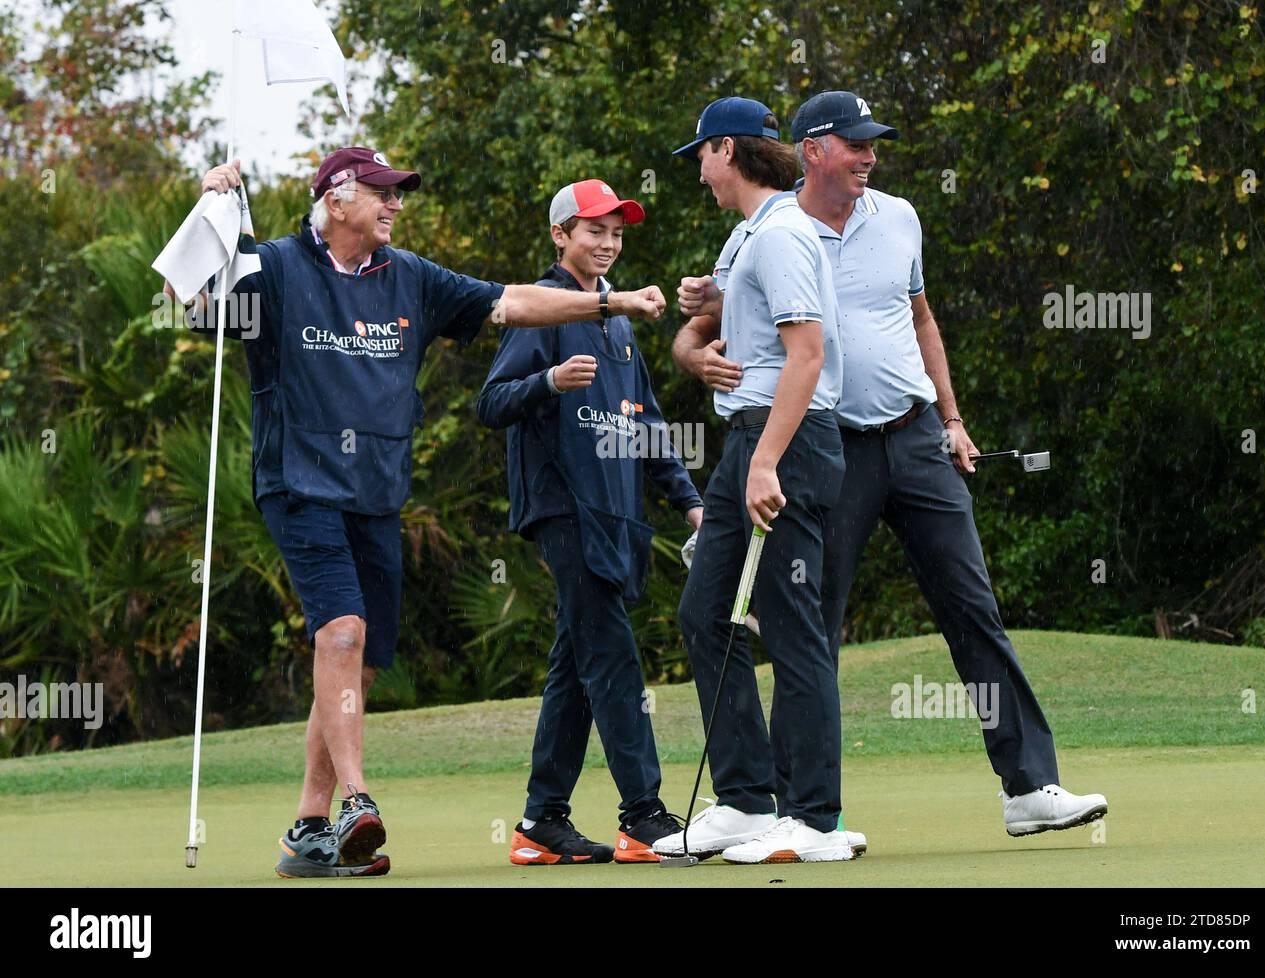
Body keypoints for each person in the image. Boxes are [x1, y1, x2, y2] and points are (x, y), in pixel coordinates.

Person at [164, 147, 666, 878]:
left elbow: (510, 302)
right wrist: (212, 206)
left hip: (377, 492)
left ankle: (308, 826)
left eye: (398, 194)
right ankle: (356, 803)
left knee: (359, 664)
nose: (395, 204)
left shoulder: (413, 277)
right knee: (341, 629)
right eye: (381, 193)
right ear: (336, 200)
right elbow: (196, 302)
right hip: (297, 484)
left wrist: (610, 302)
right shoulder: (272, 268)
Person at [673, 91, 1108, 838]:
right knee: (811, 621)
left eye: (875, 143)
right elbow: (704, 328)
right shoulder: (773, 230)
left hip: (915, 441)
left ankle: (1030, 786)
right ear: (813, 150)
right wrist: (693, 355)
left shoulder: (899, 216)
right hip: (830, 445)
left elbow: (921, 318)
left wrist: (953, 419)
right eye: (857, 143)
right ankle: (793, 809)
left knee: (971, 608)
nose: (871, 155)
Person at [651, 98, 866, 865]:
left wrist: (768, 462)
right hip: (746, 440)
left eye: (700, 155)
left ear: (727, 150)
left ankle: (815, 819)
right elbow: (712, 329)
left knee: (793, 628)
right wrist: (703, 314)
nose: (697, 170)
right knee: (704, 613)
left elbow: (805, 356)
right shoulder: (749, 236)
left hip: (787, 442)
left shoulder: (778, 234)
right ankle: (745, 800)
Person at [478, 179, 703, 865]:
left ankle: (541, 821)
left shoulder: (620, 324)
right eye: (593, 230)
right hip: (563, 508)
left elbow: (647, 429)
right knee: (611, 657)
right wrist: (548, 383)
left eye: (616, 233)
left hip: (615, 516)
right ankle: (645, 815)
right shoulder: (544, 309)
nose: (606, 243)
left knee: (575, 665)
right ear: (560, 236)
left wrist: (690, 500)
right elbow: (491, 403)